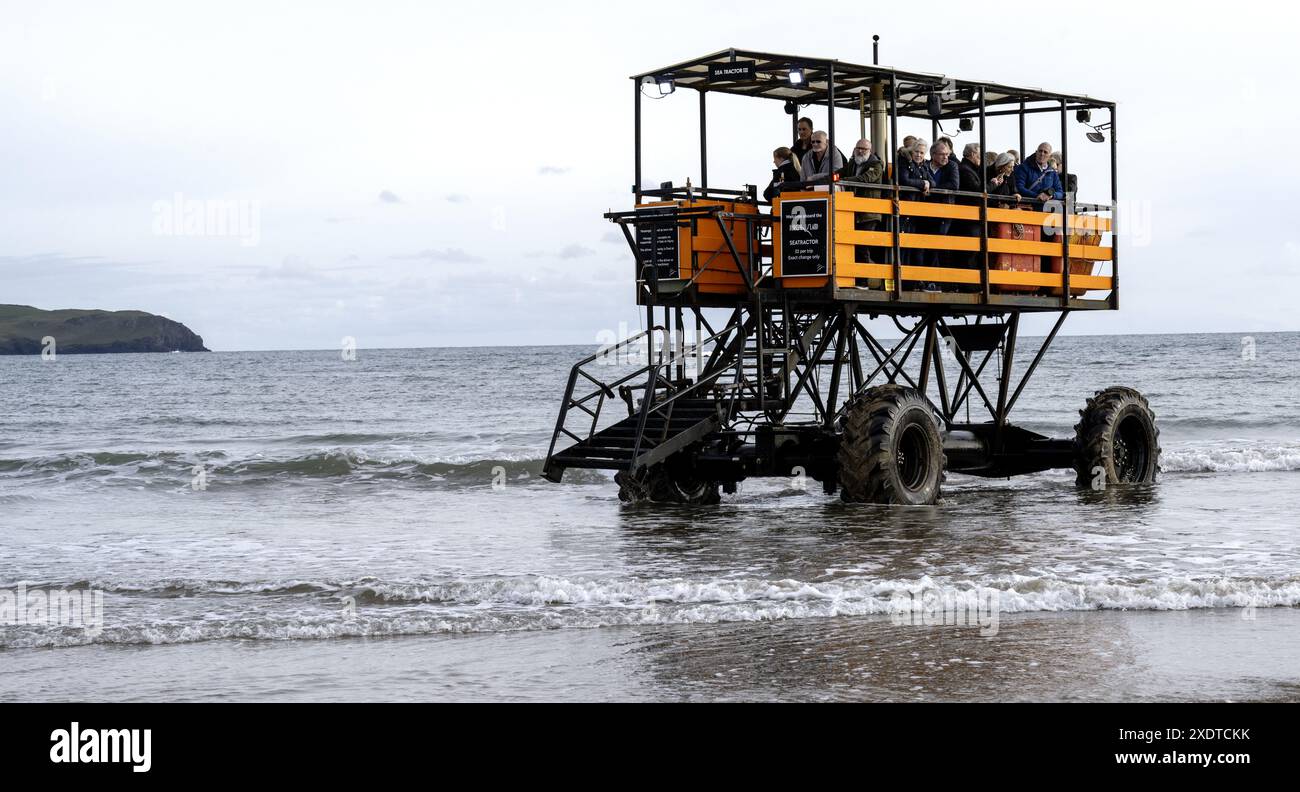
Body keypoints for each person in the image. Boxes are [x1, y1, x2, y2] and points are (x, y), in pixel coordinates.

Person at [840, 138, 885, 262]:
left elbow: (864, 179)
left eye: (864, 149)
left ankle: (866, 279)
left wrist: (843, 180)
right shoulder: (852, 164)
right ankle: (860, 278)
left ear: (870, 151)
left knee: (862, 246)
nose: (860, 151)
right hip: (853, 211)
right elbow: (838, 173)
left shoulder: (876, 165)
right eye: (858, 148)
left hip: (869, 213)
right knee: (853, 245)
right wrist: (821, 180)